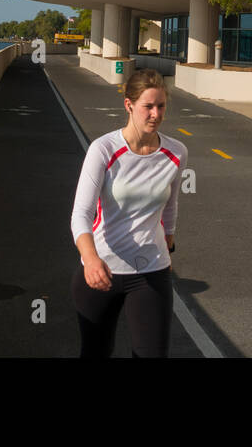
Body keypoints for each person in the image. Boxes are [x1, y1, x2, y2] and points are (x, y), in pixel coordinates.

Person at [69, 68, 186, 357]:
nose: (155, 114)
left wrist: (168, 243)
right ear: (129, 105)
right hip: (102, 270)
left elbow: (170, 204)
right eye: (148, 106)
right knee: (95, 352)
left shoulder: (177, 152)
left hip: (150, 271)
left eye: (161, 106)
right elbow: (80, 214)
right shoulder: (104, 149)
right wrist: (91, 259)